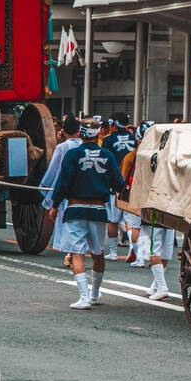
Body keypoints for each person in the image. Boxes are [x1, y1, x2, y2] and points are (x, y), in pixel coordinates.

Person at [44, 118, 125, 310]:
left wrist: (54, 205)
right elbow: (118, 182)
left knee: (77, 253)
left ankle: (84, 296)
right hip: (99, 209)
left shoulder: (73, 154)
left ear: (80, 134)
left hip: (75, 209)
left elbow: (63, 183)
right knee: (98, 253)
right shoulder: (107, 154)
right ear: (98, 135)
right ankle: (95, 292)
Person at [123, 121, 173, 300]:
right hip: (172, 206)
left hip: (153, 206)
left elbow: (135, 181)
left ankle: (161, 287)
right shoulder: (171, 155)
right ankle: (156, 285)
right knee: (165, 250)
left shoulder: (141, 157)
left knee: (154, 250)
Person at [41, 115, 85, 269]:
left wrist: (45, 186)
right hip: (84, 190)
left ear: (64, 132)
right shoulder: (84, 145)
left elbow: (54, 170)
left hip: (66, 190)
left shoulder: (63, 147)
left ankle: (72, 252)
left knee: (66, 222)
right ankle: (76, 251)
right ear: (79, 131)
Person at [101, 114, 137, 259]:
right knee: (129, 219)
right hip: (131, 183)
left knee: (113, 220)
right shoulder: (134, 139)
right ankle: (133, 249)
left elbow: (104, 163)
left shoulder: (108, 140)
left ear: (114, 124)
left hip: (114, 184)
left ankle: (113, 252)